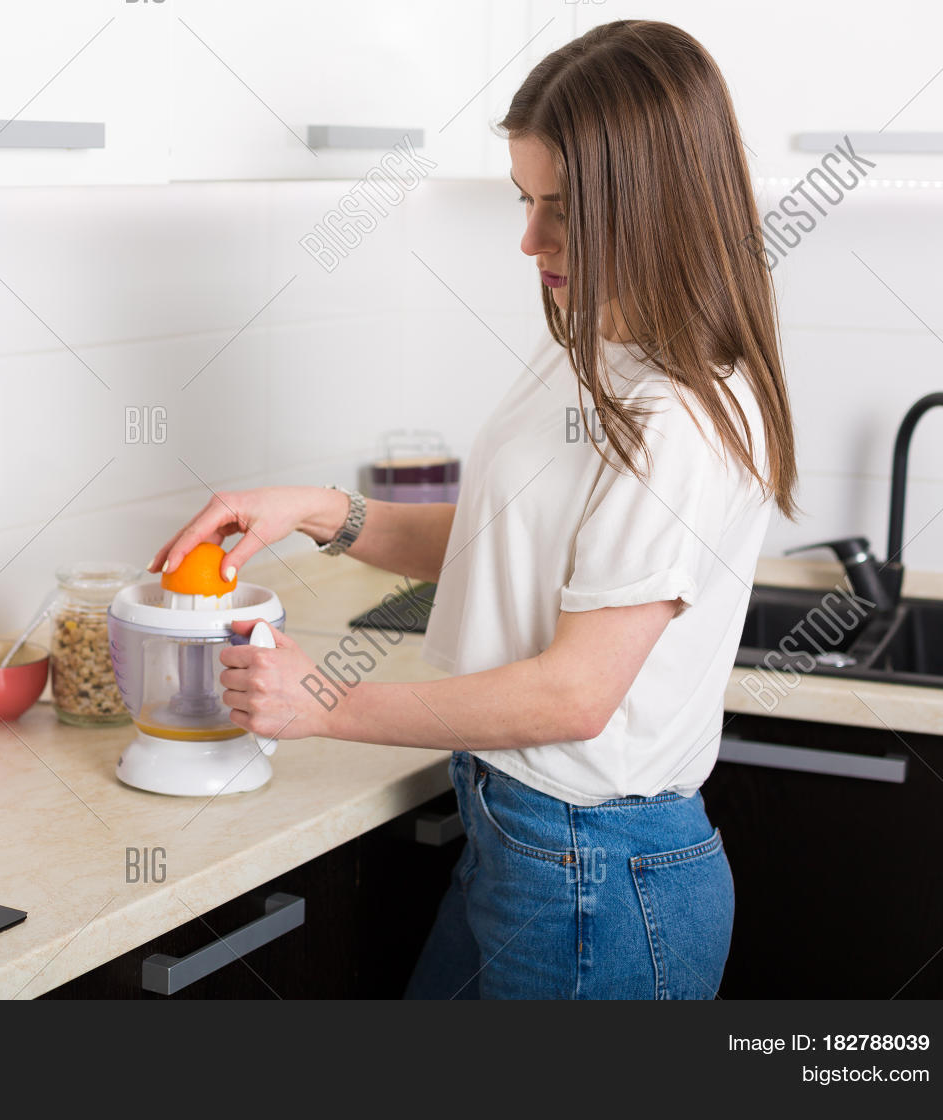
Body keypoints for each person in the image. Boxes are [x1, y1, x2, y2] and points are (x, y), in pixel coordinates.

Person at [147, 21, 797, 999]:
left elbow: (575, 694)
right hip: (524, 838)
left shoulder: (682, 416)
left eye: (563, 210)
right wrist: (326, 512)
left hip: (597, 879)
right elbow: (515, 545)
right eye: (525, 200)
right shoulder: (595, 331)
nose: (528, 240)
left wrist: (328, 705)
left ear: (652, 205)